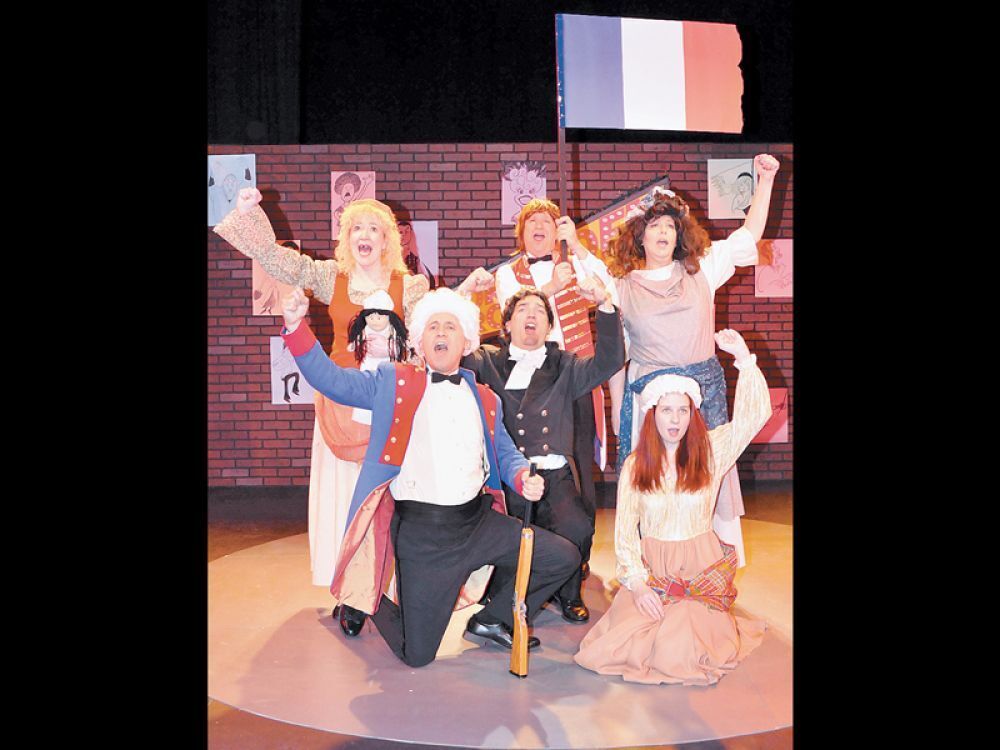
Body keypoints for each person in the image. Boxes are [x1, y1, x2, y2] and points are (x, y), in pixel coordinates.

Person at [280, 286, 581, 668]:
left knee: (562, 557)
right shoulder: (394, 382)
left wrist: (523, 477)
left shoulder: (486, 397)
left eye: (450, 326)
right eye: (433, 326)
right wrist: (296, 327)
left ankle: (494, 619)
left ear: (466, 341)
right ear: (419, 343)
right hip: (423, 536)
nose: (441, 332)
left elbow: (505, 453)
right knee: (417, 655)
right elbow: (333, 382)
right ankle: (367, 600)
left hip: (478, 524)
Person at [213, 188, 430, 638]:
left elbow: (427, 340)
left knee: (392, 495)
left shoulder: (411, 286)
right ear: (346, 238)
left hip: (390, 401)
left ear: (387, 239)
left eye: (373, 228)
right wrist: (250, 214)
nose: (364, 235)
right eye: (355, 228)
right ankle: (350, 591)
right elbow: (277, 261)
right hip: (340, 398)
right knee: (344, 497)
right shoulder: (331, 277)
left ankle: (386, 583)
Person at [593, 152, 780, 567]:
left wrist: (765, 180)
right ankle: (654, 570)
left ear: (680, 235)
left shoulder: (703, 270)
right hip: (650, 403)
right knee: (655, 486)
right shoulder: (620, 286)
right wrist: (618, 411)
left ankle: (708, 570)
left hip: (702, 398)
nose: (663, 232)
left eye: (670, 226)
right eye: (654, 225)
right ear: (639, 236)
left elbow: (748, 235)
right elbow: (618, 358)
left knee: (705, 478)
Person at [574, 329, 771, 686]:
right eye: (667, 410)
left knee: (676, 650)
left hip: (699, 564)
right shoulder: (636, 465)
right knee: (625, 646)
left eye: (683, 410)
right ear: (653, 415)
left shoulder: (711, 451)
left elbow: (752, 418)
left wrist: (744, 359)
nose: (675, 420)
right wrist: (638, 584)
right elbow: (625, 532)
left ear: (693, 414)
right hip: (654, 570)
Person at [461, 280, 625, 623]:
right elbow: (450, 352)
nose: (531, 315)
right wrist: (463, 294)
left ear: (550, 326)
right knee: (511, 541)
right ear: (507, 324)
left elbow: (609, 360)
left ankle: (568, 594)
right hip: (510, 476)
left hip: (555, 475)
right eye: (522, 310)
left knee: (577, 529)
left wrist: (605, 306)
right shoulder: (487, 361)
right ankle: (510, 601)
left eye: (540, 311)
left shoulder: (565, 365)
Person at [490, 197, 619, 580]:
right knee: (523, 469)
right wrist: (551, 287)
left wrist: (577, 247)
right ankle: (528, 562)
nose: (539, 227)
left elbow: (610, 289)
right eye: (531, 222)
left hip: (571, 377)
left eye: (547, 221)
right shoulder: (508, 273)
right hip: (525, 385)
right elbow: (511, 312)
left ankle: (577, 563)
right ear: (521, 234)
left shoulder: (574, 263)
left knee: (578, 471)